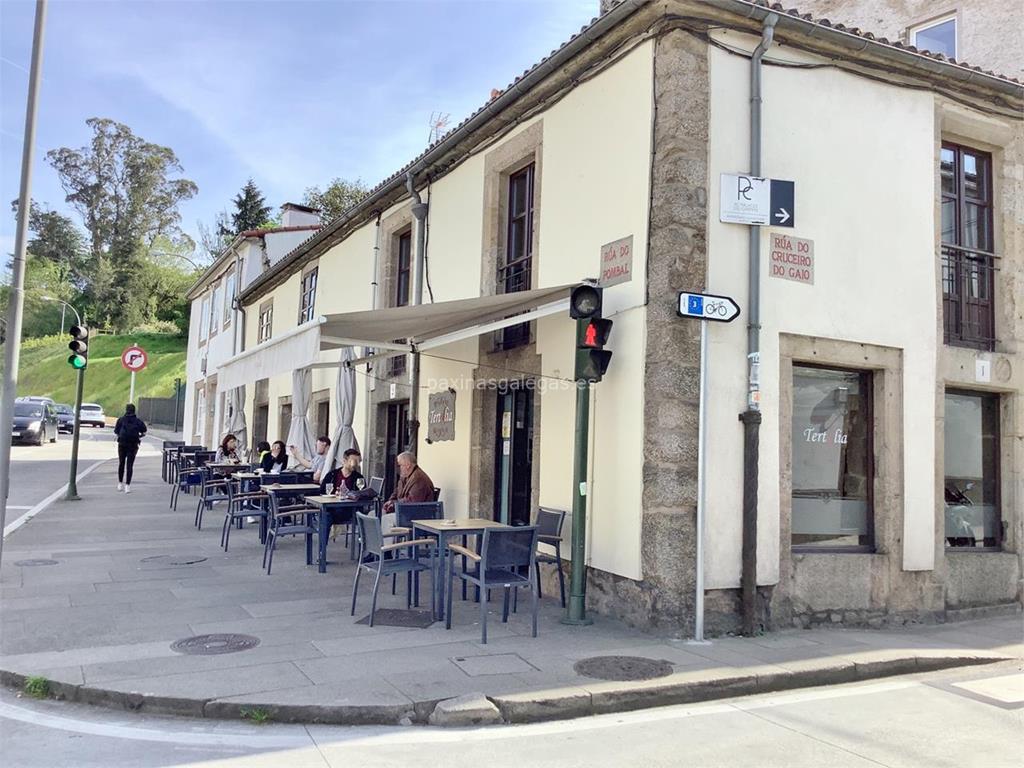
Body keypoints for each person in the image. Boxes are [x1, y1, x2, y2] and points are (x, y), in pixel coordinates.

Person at [113, 404, 147, 493]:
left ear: (126, 410)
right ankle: (127, 485)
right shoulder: (138, 421)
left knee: (121, 463)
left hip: (122, 444)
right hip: (133, 445)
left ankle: (120, 483)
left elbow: (116, 431)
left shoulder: (121, 420)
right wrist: (139, 436)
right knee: (130, 465)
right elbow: (144, 431)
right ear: (134, 411)